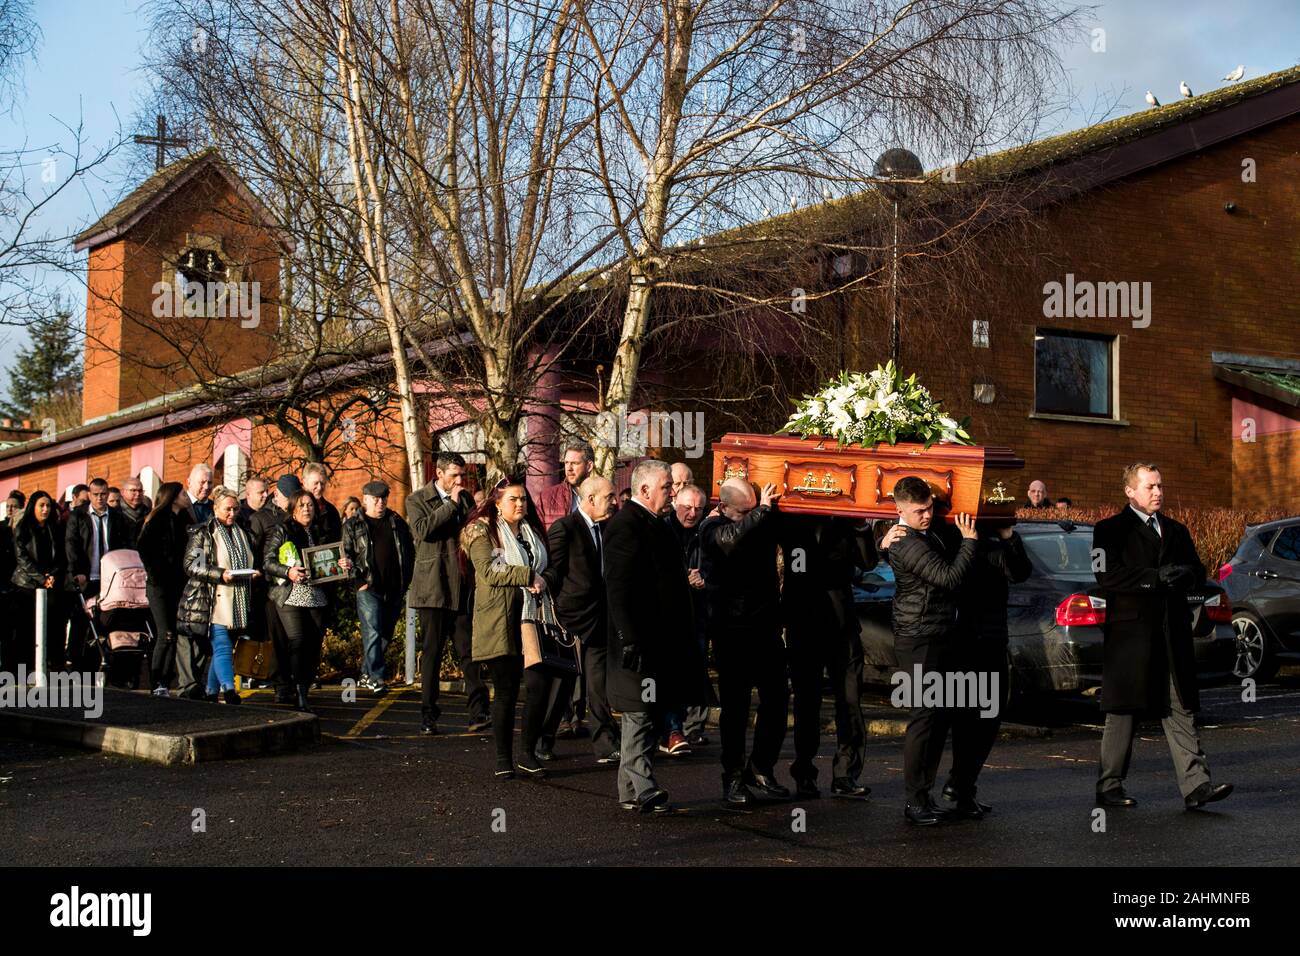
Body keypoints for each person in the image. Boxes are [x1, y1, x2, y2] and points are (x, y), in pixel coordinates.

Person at [1092, 463, 1232, 811]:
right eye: (1150, 486)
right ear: (1130, 491)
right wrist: (1155, 578)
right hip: (1131, 637)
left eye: (1160, 486)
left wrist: (1186, 576)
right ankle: (1109, 786)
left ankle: (1197, 786)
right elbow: (1105, 575)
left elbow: (1197, 573)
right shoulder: (1108, 530)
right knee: (1122, 712)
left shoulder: (1176, 530)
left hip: (1172, 636)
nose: (1157, 492)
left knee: (1179, 706)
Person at [605, 459, 700, 813]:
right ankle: (644, 786)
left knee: (647, 710)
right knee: (639, 712)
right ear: (644, 489)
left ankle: (629, 791)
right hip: (637, 639)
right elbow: (618, 588)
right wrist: (629, 637)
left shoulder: (654, 524)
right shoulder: (626, 525)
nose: (672, 492)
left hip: (657, 639)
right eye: (666, 488)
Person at [883, 477, 979, 826]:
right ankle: (914, 800)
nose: (927, 515)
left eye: (931, 508)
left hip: (937, 633)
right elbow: (949, 577)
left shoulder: (924, 533)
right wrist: (970, 542)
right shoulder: (907, 543)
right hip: (918, 638)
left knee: (937, 717)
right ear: (900, 510)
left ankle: (925, 794)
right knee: (923, 718)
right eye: (919, 511)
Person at [933, 518, 1032, 818]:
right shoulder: (949, 533)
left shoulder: (995, 537)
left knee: (988, 717)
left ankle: (963, 784)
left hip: (991, 637)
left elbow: (1020, 572)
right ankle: (953, 787)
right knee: (963, 717)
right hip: (960, 637)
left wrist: (1008, 536)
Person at [700, 477, 790, 804]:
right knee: (736, 709)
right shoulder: (712, 529)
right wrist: (762, 510)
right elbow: (732, 539)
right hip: (732, 631)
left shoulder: (757, 520)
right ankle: (733, 777)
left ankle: (761, 767)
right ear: (723, 507)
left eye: (753, 508)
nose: (750, 515)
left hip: (765, 627)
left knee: (778, 700)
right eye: (743, 510)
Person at [782, 513, 877, 800]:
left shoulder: (846, 523)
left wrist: (860, 526)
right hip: (805, 622)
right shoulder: (793, 521)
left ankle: (846, 774)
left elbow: (868, 562)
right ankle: (804, 773)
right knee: (807, 703)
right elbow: (797, 565)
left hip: (842, 624)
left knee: (850, 702)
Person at [461, 476, 550, 779]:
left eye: (523, 498)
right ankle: (503, 758)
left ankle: (527, 753)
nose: (520, 503)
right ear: (497, 503)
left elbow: (546, 566)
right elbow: (490, 570)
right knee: (507, 691)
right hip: (501, 619)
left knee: (538, 687)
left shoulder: (531, 532)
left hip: (534, 617)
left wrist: (544, 578)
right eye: (513, 499)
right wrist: (529, 576)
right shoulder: (483, 532)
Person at [406, 452, 488, 734]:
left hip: (461, 587)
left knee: (469, 651)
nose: (459, 480)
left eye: (461, 475)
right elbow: (423, 530)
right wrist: (450, 505)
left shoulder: (464, 499)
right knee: (432, 653)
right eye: (453, 475)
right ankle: (428, 715)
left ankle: (479, 712)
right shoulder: (417, 499)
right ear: (439, 474)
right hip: (433, 588)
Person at [541, 475, 618, 764]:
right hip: (570, 621)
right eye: (609, 496)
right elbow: (555, 569)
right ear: (591, 499)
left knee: (598, 687)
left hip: (599, 621)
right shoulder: (565, 528)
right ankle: (543, 740)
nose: (614, 501)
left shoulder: (609, 528)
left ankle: (605, 744)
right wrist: (538, 584)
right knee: (561, 687)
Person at [263, 491, 350, 712]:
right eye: (301, 505)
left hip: (317, 595)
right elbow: (268, 562)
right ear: (292, 508)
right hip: (291, 594)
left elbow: (331, 558)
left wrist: (342, 563)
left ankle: (303, 689)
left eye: (310, 505)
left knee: (312, 645)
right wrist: (288, 571)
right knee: (298, 640)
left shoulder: (321, 531)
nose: (306, 509)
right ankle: (296, 692)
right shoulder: (283, 530)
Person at [176, 488, 261, 703]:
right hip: (213, 598)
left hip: (239, 599)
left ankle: (212, 692)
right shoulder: (203, 532)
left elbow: (251, 559)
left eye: (235, 509)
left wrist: (254, 572)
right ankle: (230, 690)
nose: (232, 513)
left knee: (222, 649)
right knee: (222, 645)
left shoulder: (244, 532)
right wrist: (219, 574)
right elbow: (191, 565)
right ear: (215, 509)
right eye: (227, 509)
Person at [343, 480, 415, 694]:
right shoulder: (353, 525)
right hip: (369, 587)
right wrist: (358, 582)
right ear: (365, 499)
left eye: (383, 498)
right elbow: (345, 555)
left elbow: (409, 550)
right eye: (375, 499)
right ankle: (376, 677)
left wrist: (406, 580)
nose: (380, 503)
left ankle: (366, 673)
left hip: (394, 587)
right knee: (373, 630)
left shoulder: (396, 521)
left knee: (385, 634)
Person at [661, 483, 713, 752]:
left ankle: (688, 728)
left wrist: (705, 579)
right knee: (670, 676)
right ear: (674, 504)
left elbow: (718, 570)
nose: (692, 513)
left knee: (692, 674)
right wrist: (683, 579)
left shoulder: (706, 533)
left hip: (698, 616)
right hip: (668, 616)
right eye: (687, 507)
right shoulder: (663, 529)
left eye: (698, 508)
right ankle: (671, 731)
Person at [65, 477, 134, 670]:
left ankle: (96, 663)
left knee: (104, 622)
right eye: (96, 494)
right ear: (89, 494)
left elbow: (123, 544)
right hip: (86, 576)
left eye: (103, 494)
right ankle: (76, 664)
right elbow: (72, 545)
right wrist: (77, 572)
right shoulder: (78, 515)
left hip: (109, 579)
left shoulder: (116, 516)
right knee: (80, 621)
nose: (100, 498)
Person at [137, 482, 192, 697]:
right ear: (173, 497)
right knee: (165, 633)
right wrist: (156, 573)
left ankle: (165, 682)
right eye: (183, 493)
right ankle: (157, 681)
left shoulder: (184, 521)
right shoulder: (157, 520)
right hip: (159, 585)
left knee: (175, 634)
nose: (186, 497)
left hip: (177, 584)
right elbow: (144, 548)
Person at [252, 475, 298, 703]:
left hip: (295, 585)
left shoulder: (297, 516)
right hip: (271, 588)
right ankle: (281, 684)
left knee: (294, 637)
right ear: (278, 494)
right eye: (289, 497)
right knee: (277, 637)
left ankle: (292, 680)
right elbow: (256, 552)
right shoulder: (261, 518)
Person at [9, 490, 67, 672]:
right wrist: (42, 578)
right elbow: (22, 558)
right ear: (33, 506)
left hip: (49, 585)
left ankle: (51, 664)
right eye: (41, 505)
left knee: (53, 626)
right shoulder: (23, 528)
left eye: (48, 505)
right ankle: (22, 670)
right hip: (25, 586)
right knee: (25, 630)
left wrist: (52, 576)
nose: (45, 509)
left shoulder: (54, 529)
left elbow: (60, 557)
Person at [536, 441, 595, 531]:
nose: (569, 468)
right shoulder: (546, 497)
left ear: (589, 466)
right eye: (566, 463)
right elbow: (537, 534)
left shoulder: (603, 495)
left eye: (575, 463)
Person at [301, 462, 342, 544]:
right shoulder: (296, 509)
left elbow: (338, 540)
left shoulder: (331, 511)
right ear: (304, 482)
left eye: (322, 483)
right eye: (315, 483)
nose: (319, 488)